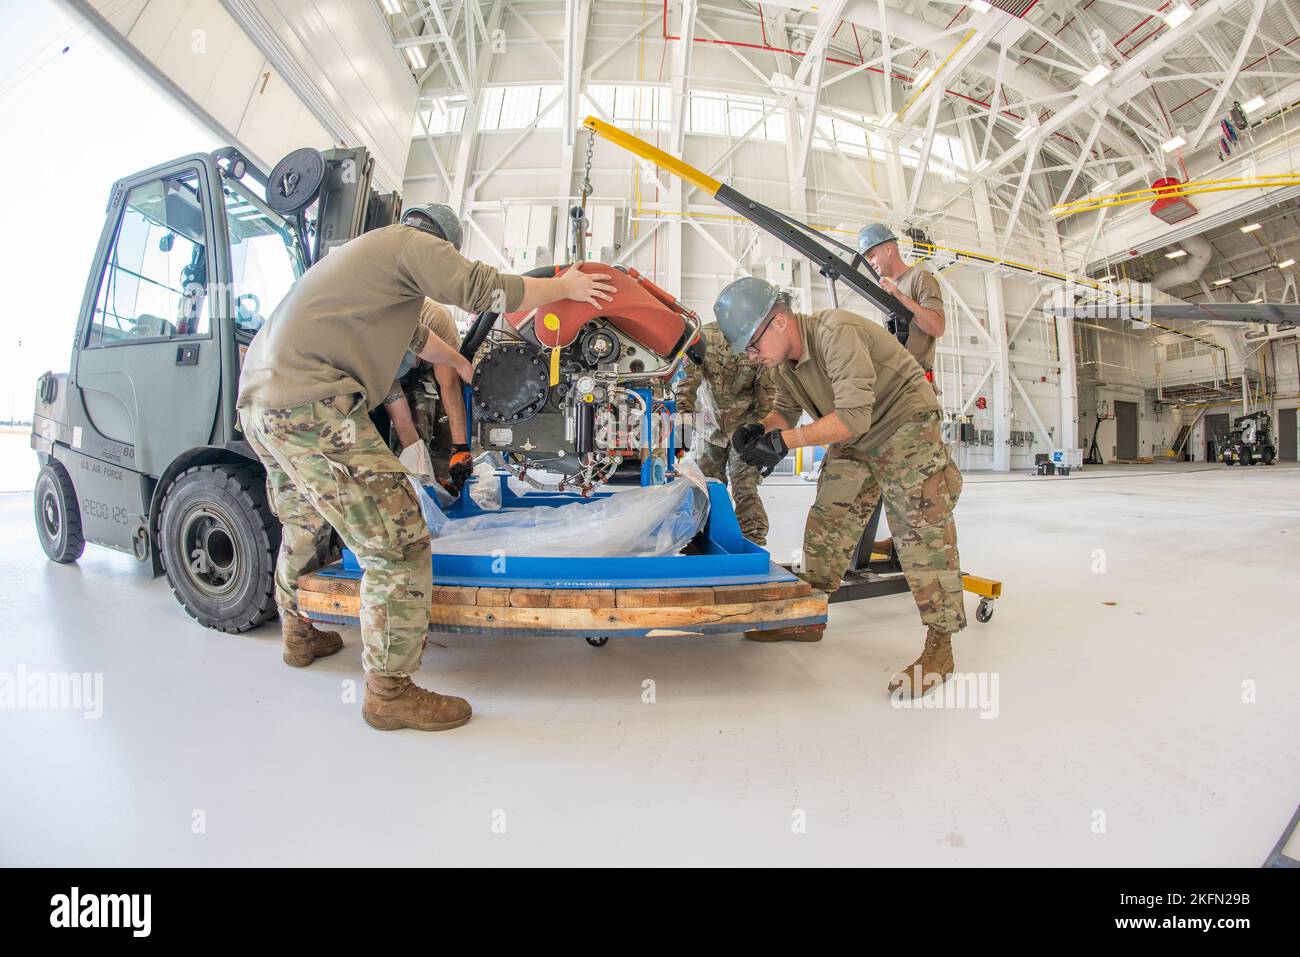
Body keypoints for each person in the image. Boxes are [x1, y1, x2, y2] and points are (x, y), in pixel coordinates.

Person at [236, 202, 615, 731]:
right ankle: (389, 691)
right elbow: (486, 289)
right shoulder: (407, 245)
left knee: (303, 521)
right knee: (398, 544)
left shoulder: (365, 265)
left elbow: (415, 335)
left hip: (260, 406)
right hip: (311, 407)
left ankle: (297, 634)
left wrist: (459, 362)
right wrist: (564, 288)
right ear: (439, 244)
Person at [715, 276, 967, 698]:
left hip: (904, 424)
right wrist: (760, 430)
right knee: (828, 520)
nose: (753, 356)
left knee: (919, 530)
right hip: (857, 435)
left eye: (753, 346)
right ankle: (810, 616)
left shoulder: (836, 332)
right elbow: (785, 412)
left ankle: (941, 645)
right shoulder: (784, 364)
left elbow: (852, 417)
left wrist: (784, 442)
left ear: (778, 322)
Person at [675, 322, 775, 545]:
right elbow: (688, 382)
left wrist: (766, 438)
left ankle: (752, 543)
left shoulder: (758, 339)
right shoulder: (703, 338)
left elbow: (766, 395)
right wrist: (683, 425)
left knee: (745, 488)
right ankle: (702, 539)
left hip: (746, 432)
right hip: (710, 430)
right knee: (707, 488)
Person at [385, 299, 472, 494]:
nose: (413, 365)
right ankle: (411, 486)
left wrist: (461, 447)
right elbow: (403, 421)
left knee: (437, 406)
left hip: (433, 361)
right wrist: (417, 462)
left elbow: (448, 384)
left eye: (413, 359)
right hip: (388, 374)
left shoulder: (434, 318)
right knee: (417, 419)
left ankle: (442, 476)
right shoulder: (379, 357)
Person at [857, 224, 945, 376]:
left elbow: (937, 327)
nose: (870, 263)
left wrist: (900, 296)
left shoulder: (920, 278)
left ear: (888, 249)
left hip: (917, 381)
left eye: (872, 256)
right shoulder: (888, 289)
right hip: (896, 379)